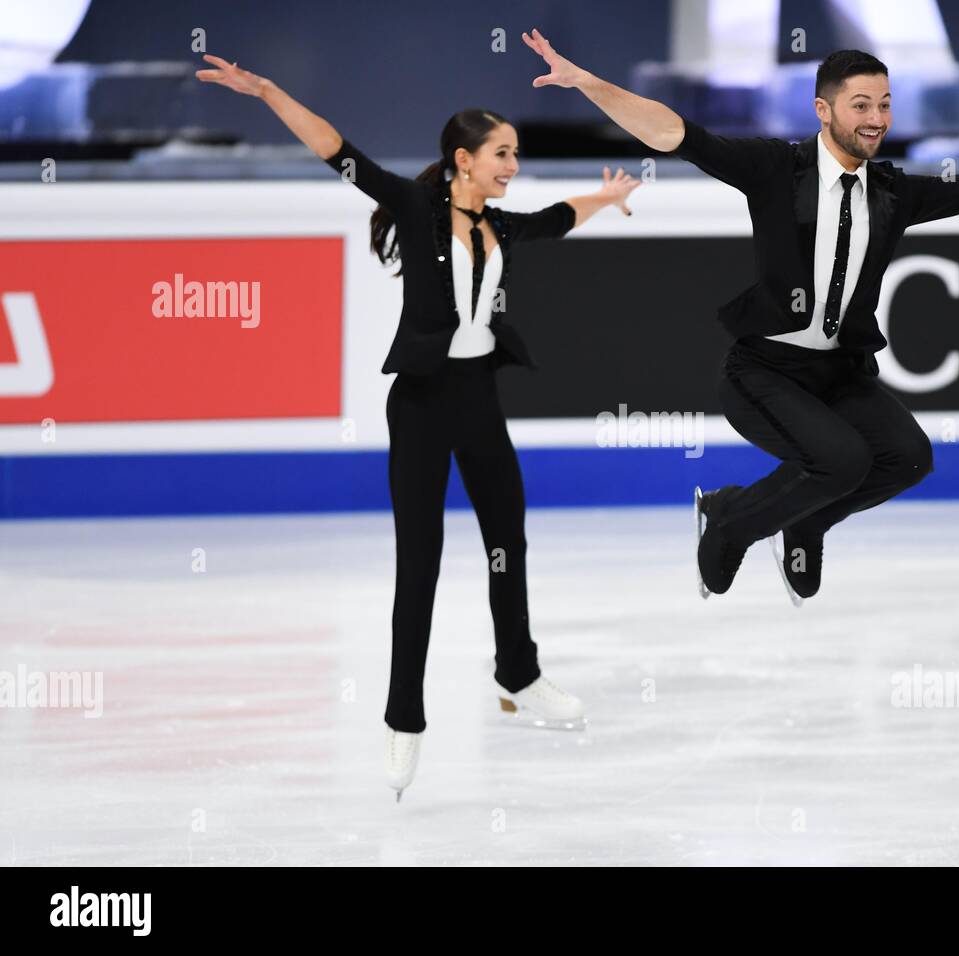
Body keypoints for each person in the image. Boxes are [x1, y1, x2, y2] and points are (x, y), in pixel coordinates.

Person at [521, 30, 959, 604]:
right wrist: (588, 84)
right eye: (861, 105)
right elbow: (675, 134)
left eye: (884, 104)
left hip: (842, 375)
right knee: (842, 462)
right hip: (763, 372)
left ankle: (804, 525)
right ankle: (727, 520)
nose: (876, 118)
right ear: (824, 111)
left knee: (907, 457)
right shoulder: (773, 170)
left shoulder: (895, 193)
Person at [196, 54, 641, 800]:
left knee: (508, 537)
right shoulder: (411, 206)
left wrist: (602, 199)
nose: (513, 165)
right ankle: (404, 717)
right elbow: (337, 152)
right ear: (463, 160)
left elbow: (553, 223)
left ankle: (518, 673)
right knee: (422, 561)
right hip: (424, 405)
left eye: (517, 154)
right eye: (502, 154)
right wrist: (269, 90)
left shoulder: (498, 224)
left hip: (479, 398)